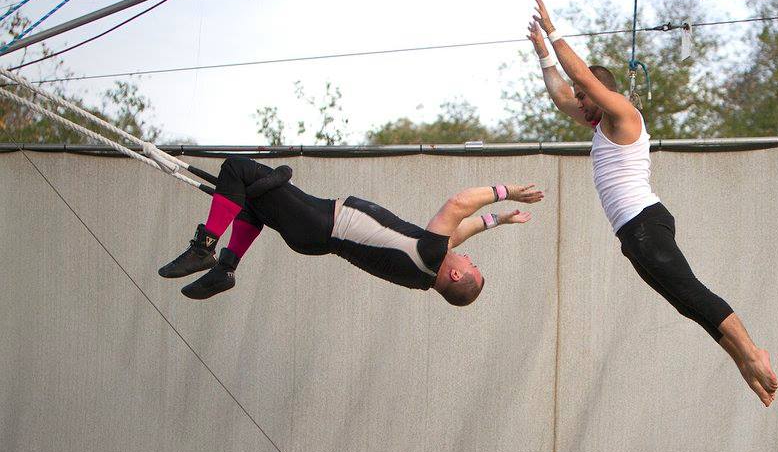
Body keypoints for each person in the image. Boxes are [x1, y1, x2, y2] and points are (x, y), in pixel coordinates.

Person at [527, 0, 778, 405]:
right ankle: (745, 364)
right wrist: (542, 54)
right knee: (686, 304)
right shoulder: (599, 122)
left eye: (585, 97)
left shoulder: (623, 114)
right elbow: (561, 95)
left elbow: (583, 81)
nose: (579, 105)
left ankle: (753, 352)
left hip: (644, 223)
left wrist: (555, 34)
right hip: (634, 233)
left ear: (602, 93)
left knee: (692, 291)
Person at [159, 156, 542, 305]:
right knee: (254, 197)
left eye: (471, 266)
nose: (469, 258)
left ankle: (205, 247)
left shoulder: (429, 255)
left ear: (455, 273)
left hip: (318, 223)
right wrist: (499, 219)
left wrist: (505, 192)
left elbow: (458, 205)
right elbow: (460, 233)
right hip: (315, 229)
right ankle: (225, 268)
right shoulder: (424, 269)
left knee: (237, 170)